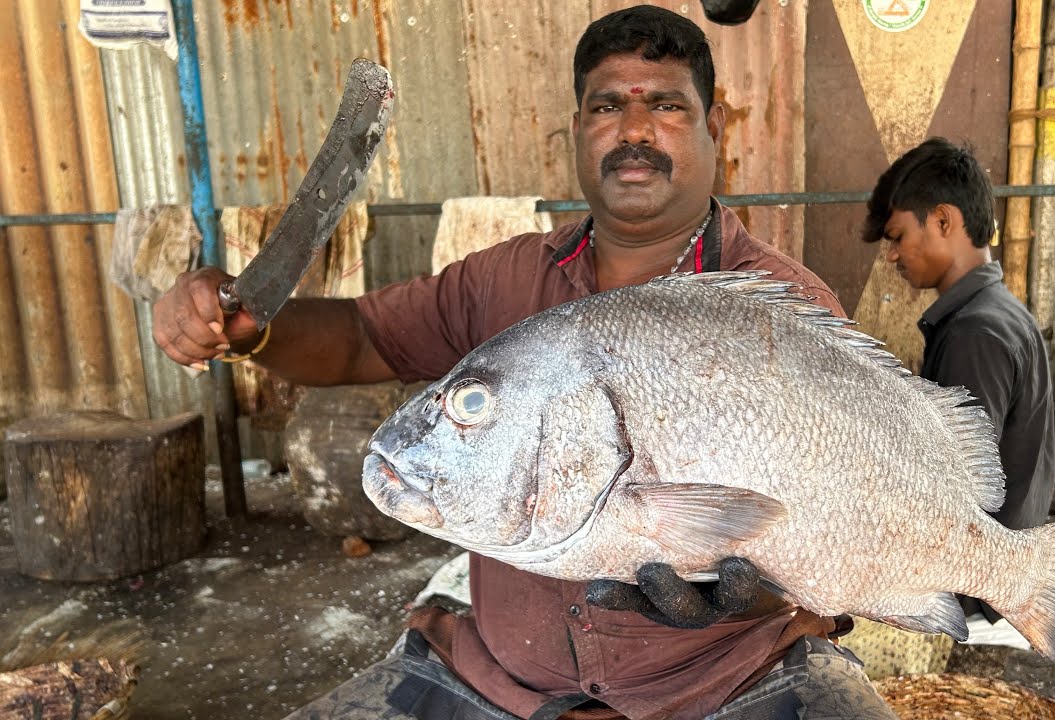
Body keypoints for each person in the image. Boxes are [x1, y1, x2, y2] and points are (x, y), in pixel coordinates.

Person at [154, 6, 898, 719]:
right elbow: (358, 338)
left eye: (666, 107)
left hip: (731, 683)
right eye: (607, 108)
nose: (634, 130)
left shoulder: (783, 309)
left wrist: (770, 594)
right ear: (577, 131)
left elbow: (847, 506)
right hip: (499, 684)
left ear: (714, 126)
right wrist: (249, 329)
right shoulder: (499, 282)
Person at [861, 137, 1055, 625]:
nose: (892, 256)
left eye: (898, 235)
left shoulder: (976, 332)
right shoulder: (996, 313)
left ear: (944, 221)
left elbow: (961, 485)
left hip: (978, 590)